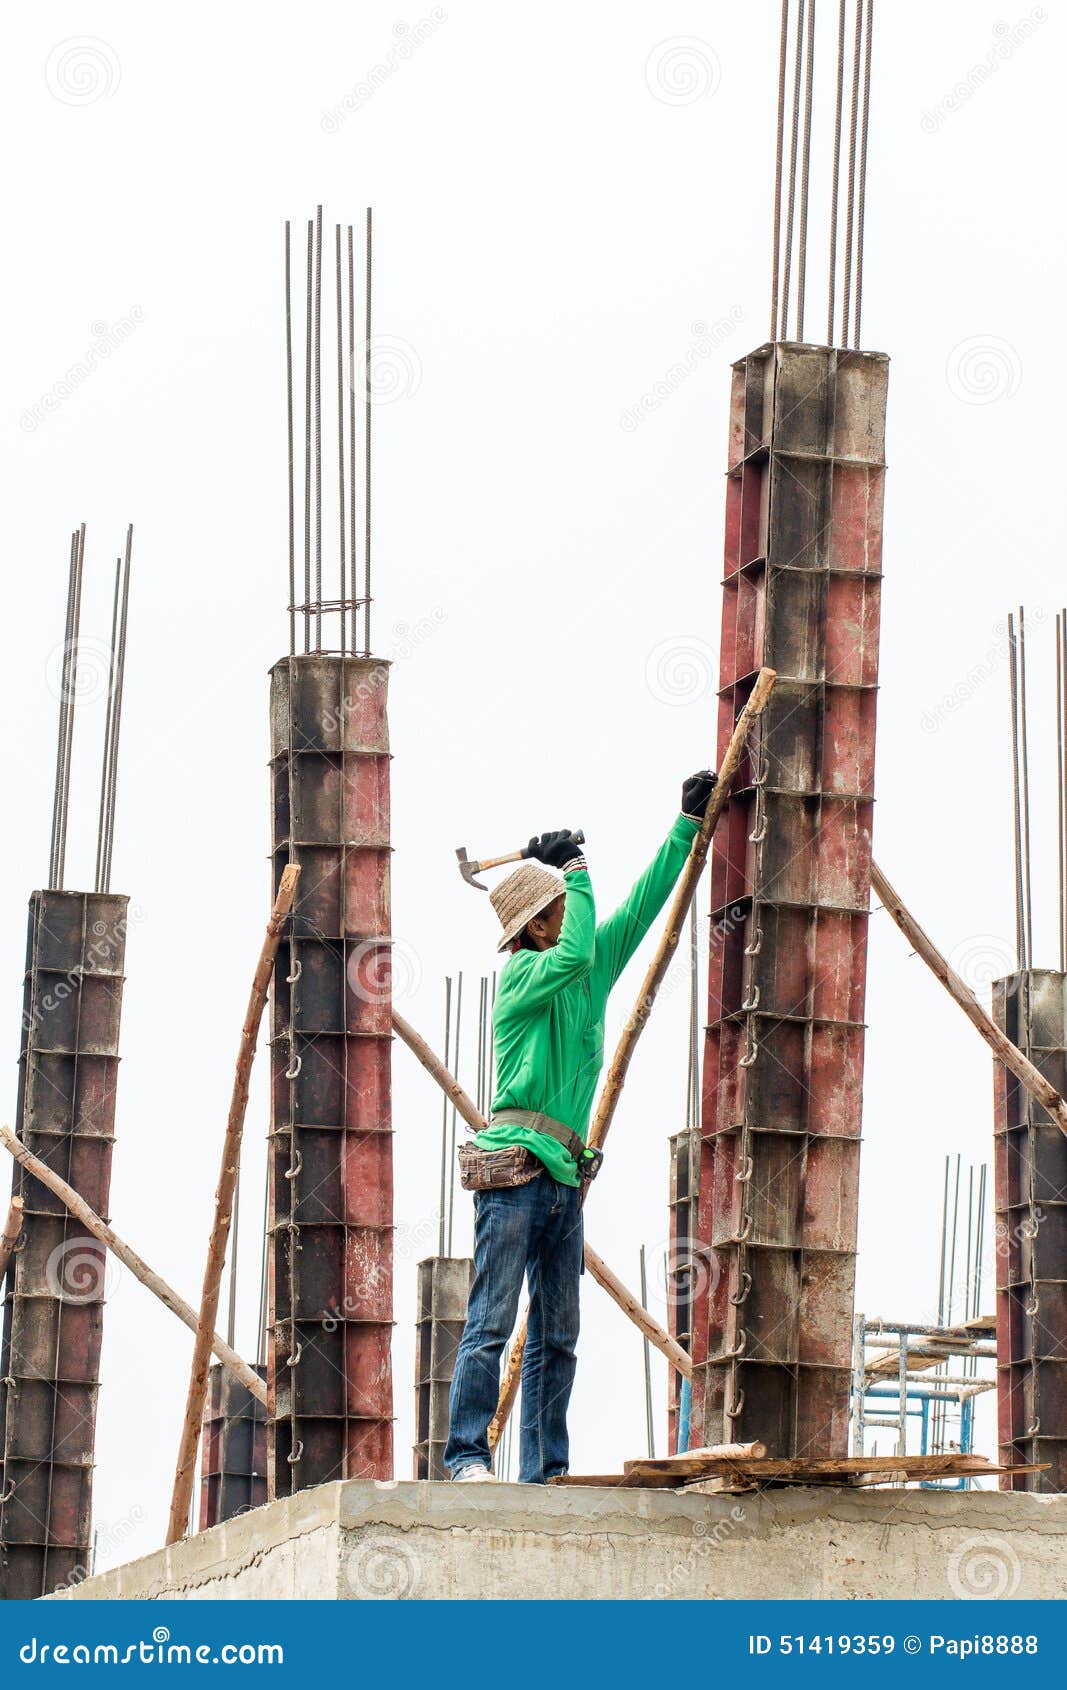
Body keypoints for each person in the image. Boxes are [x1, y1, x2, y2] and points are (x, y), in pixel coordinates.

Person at [443, 770, 718, 1484]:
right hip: (515, 1172)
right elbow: (572, 951)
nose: (576, 915)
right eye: (564, 906)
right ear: (537, 926)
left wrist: (684, 827)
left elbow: (639, 909)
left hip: (562, 1177)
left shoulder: (584, 971)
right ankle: (467, 1456)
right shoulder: (523, 980)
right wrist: (573, 865)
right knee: (491, 1322)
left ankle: (544, 1469)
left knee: (557, 1337)